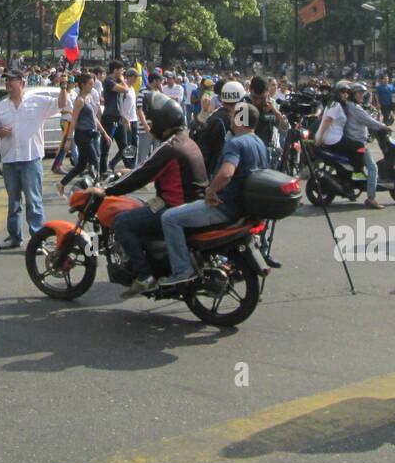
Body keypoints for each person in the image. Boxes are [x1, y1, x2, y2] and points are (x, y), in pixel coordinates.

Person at [106, 92, 211, 296]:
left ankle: (145, 275)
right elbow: (148, 169)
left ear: (163, 122)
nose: (150, 125)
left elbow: (141, 176)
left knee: (121, 222)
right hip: (193, 203)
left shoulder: (169, 148)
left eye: (153, 120)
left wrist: (106, 190)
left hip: (175, 207)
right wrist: (130, 172)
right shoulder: (185, 141)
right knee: (138, 205)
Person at [158, 102, 269, 287]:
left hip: (225, 206)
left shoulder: (236, 142)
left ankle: (182, 270)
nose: (230, 118)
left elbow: (226, 174)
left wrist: (211, 190)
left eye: (234, 115)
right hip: (244, 208)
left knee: (170, 218)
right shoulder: (259, 142)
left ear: (240, 119)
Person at [0, 69, 68, 248]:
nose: (8, 84)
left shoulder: (37, 101)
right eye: (6, 81)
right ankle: (15, 237)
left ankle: (38, 239)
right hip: (10, 159)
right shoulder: (2, 105)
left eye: (12, 80)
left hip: (31, 159)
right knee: (13, 202)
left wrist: (63, 85)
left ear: (21, 83)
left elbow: (61, 104)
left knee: (34, 201)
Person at [59, 73, 110, 194]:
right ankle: (98, 188)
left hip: (90, 134)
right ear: (83, 85)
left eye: (93, 83)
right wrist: (68, 140)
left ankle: (61, 184)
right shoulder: (80, 101)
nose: (92, 86)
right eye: (90, 84)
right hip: (82, 135)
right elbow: (74, 120)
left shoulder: (89, 98)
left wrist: (105, 133)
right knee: (95, 161)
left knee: (81, 165)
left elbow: (95, 118)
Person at [345, 83, 389, 209]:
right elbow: (367, 120)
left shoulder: (350, 106)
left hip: (352, 140)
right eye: (359, 93)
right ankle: (371, 198)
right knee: (373, 168)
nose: (361, 96)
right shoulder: (354, 107)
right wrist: (383, 126)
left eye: (362, 93)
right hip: (358, 141)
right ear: (353, 94)